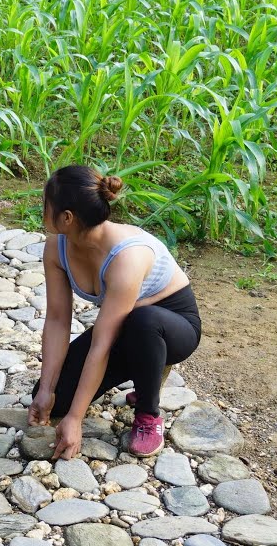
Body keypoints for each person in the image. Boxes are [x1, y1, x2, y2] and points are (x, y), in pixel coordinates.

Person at [27, 165, 202, 459]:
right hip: (123, 324)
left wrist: (76, 419)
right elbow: (57, 319)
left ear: (66, 217)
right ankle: (144, 367)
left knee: (142, 322)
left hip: (171, 326)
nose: (40, 209)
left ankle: (148, 413)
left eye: (45, 204)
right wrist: (47, 389)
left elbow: (102, 341)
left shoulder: (127, 256)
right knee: (53, 401)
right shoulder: (56, 246)